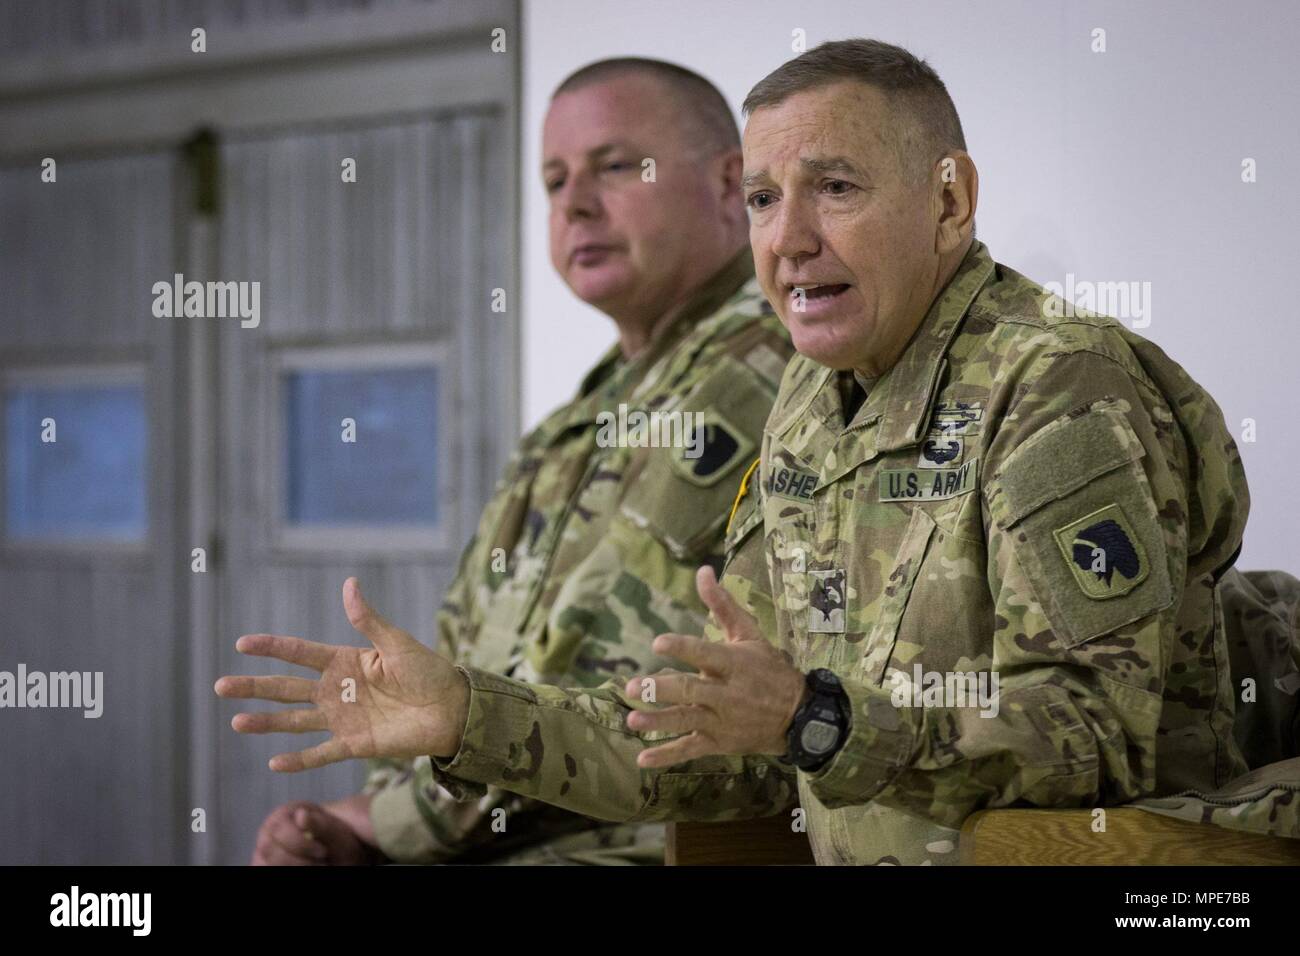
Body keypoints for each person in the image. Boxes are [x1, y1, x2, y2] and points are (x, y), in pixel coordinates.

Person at [219, 39, 1299, 864]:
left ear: (949, 201)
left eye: (835, 187)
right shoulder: (807, 401)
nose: (786, 242)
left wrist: (815, 719)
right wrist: (467, 714)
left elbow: (1097, 738)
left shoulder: (1057, 387)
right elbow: (711, 732)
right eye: (763, 200)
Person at [238, 57, 792, 865]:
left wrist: (379, 826)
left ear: (727, 183)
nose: (575, 204)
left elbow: (608, 678)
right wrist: (371, 818)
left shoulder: (771, 370)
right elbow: (457, 667)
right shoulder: (574, 425)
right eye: (554, 180)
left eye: (613, 166)